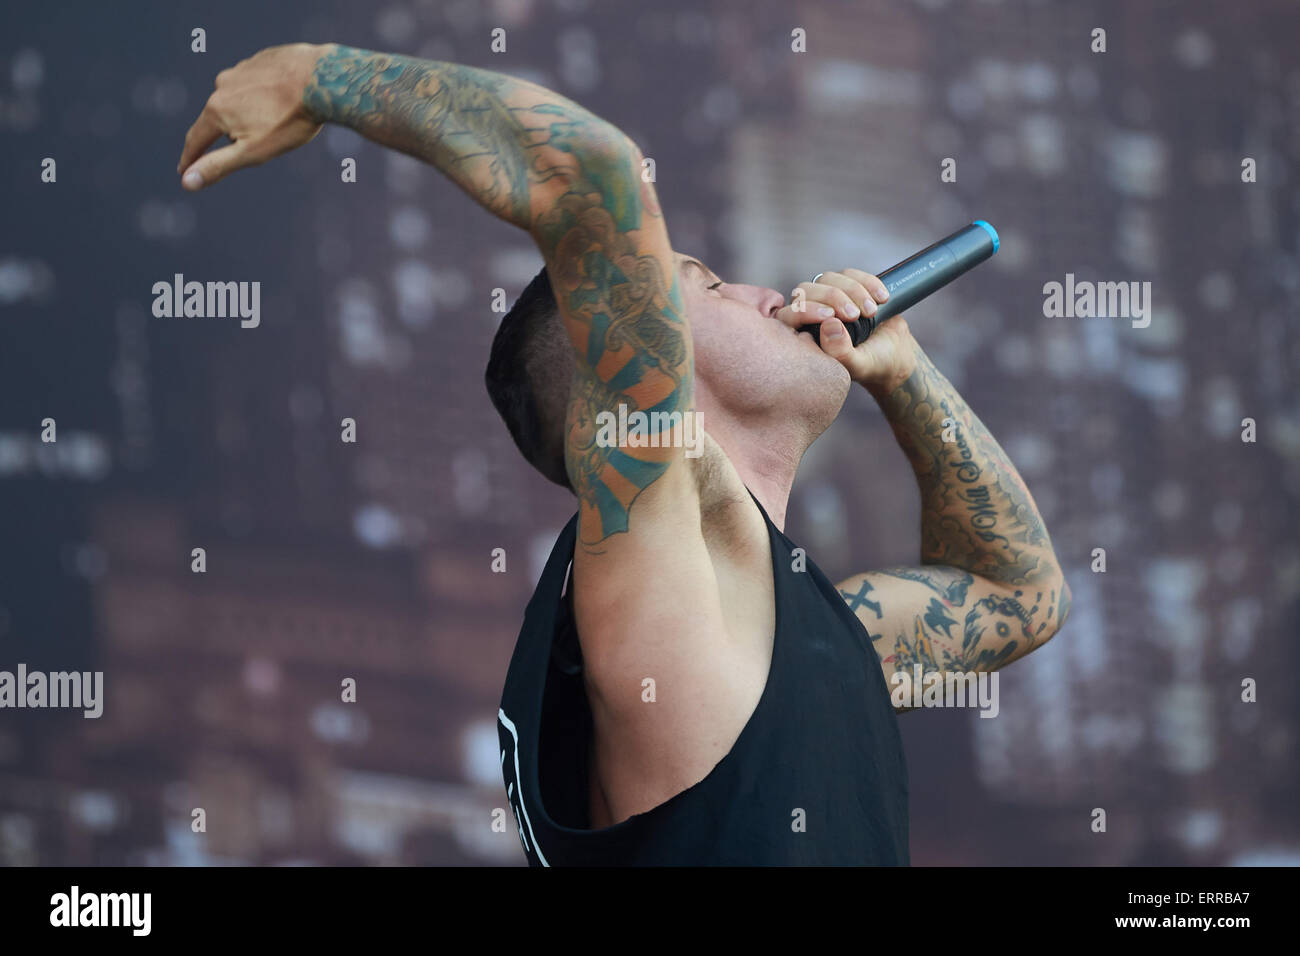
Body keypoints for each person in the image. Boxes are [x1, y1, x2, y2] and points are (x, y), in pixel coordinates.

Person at [179, 42, 1071, 865]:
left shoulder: (817, 637)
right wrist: (314, 74)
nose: (767, 293)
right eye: (710, 285)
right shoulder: (652, 544)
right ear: (643, 373)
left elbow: (1017, 593)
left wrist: (903, 370)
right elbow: (591, 173)